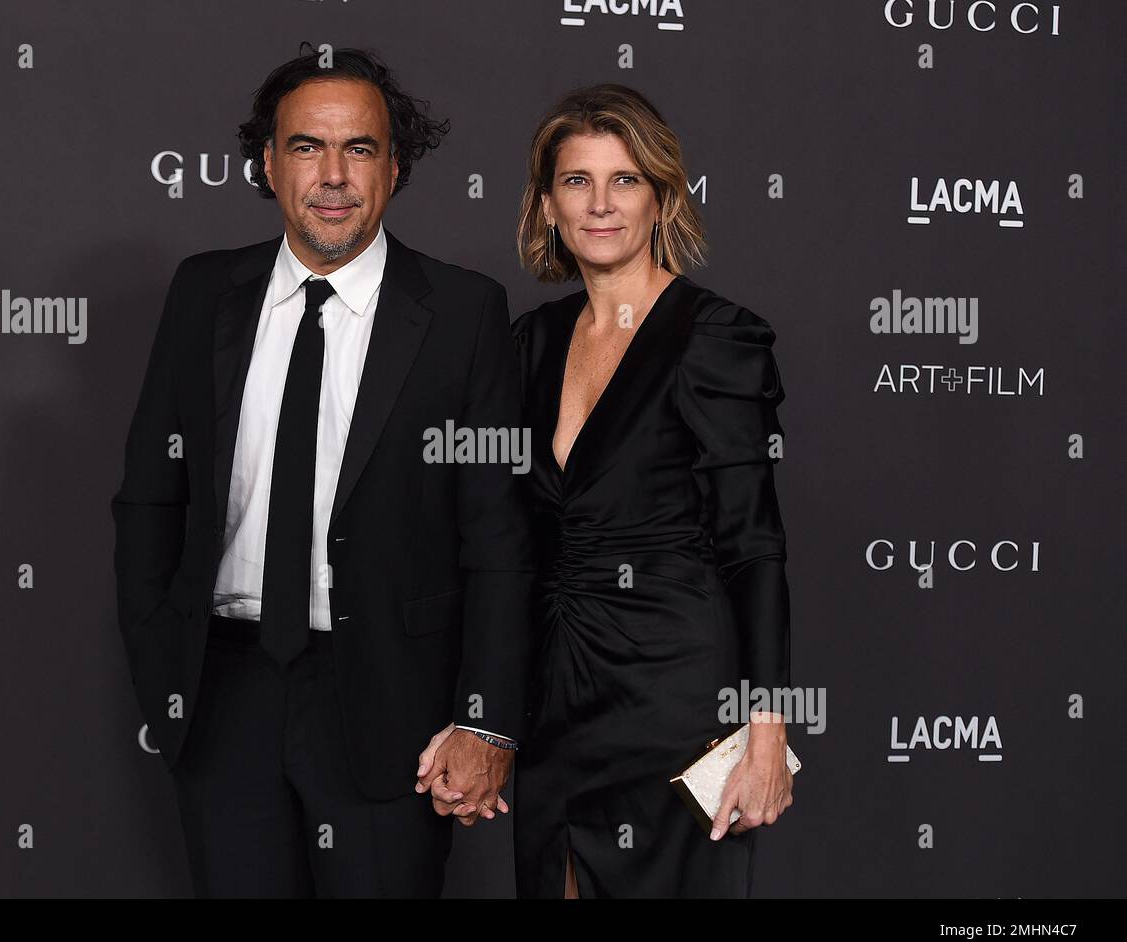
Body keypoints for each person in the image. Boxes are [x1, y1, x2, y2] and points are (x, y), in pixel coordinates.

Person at [110, 44, 533, 897]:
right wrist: (167, 673)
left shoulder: (462, 312)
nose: (333, 175)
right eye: (307, 147)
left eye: (361, 149)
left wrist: (484, 723)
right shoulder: (202, 294)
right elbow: (151, 496)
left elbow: (498, 534)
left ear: (395, 166)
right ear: (268, 163)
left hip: (389, 701)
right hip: (223, 691)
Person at [509, 83, 795, 898]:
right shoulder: (529, 343)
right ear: (547, 202)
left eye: (625, 180)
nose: (601, 205)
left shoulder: (715, 338)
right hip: (555, 700)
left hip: (676, 702)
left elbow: (754, 545)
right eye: (576, 181)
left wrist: (765, 736)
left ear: (663, 196)